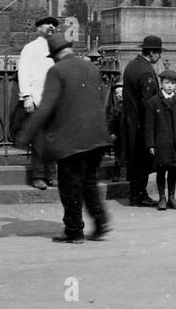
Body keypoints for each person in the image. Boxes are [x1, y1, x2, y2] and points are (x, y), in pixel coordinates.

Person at [15, 32, 112, 244]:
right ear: (69, 48)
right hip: (97, 136)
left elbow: (45, 108)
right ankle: (101, 221)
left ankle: (74, 231)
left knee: (69, 186)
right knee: (89, 182)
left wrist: (25, 135)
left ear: (54, 55)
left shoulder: (57, 71)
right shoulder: (91, 67)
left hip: (72, 140)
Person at [122, 34, 167, 207]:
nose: (160, 57)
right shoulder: (146, 71)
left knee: (135, 161)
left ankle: (136, 194)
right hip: (142, 123)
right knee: (142, 161)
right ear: (153, 53)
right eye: (159, 53)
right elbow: (149, 103)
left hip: (131, 121)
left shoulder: (132, 66)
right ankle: (139, 195)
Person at [16, 16, 60, 189]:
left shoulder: (58, 48)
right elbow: (24, 72)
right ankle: (38, 176)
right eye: (47, 24)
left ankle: (52, 175)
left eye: (54, 25)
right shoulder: (31, 48)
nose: (51, 26)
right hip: (36, 96)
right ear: (38, 28)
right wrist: (26, 96)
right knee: (40, 139)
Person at [147, 67, 176, 210]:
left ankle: (172, 197)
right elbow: (149, 126)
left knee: (173, 170)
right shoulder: (154, 102)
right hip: (161, 143)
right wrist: (150, 144)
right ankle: (162, 198)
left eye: (172, 83)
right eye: (167, 83)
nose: (169, 86)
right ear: (161, 83)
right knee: (161, 170)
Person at [105, 83, 125, 179]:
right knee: (117, 155)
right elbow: (110, 121)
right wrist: (111, 133)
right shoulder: (113, 107)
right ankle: (116, 173)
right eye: (117, 93)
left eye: (121, 92)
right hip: (118, 134)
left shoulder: (129, 106)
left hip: (127, 134)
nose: (119, 94)